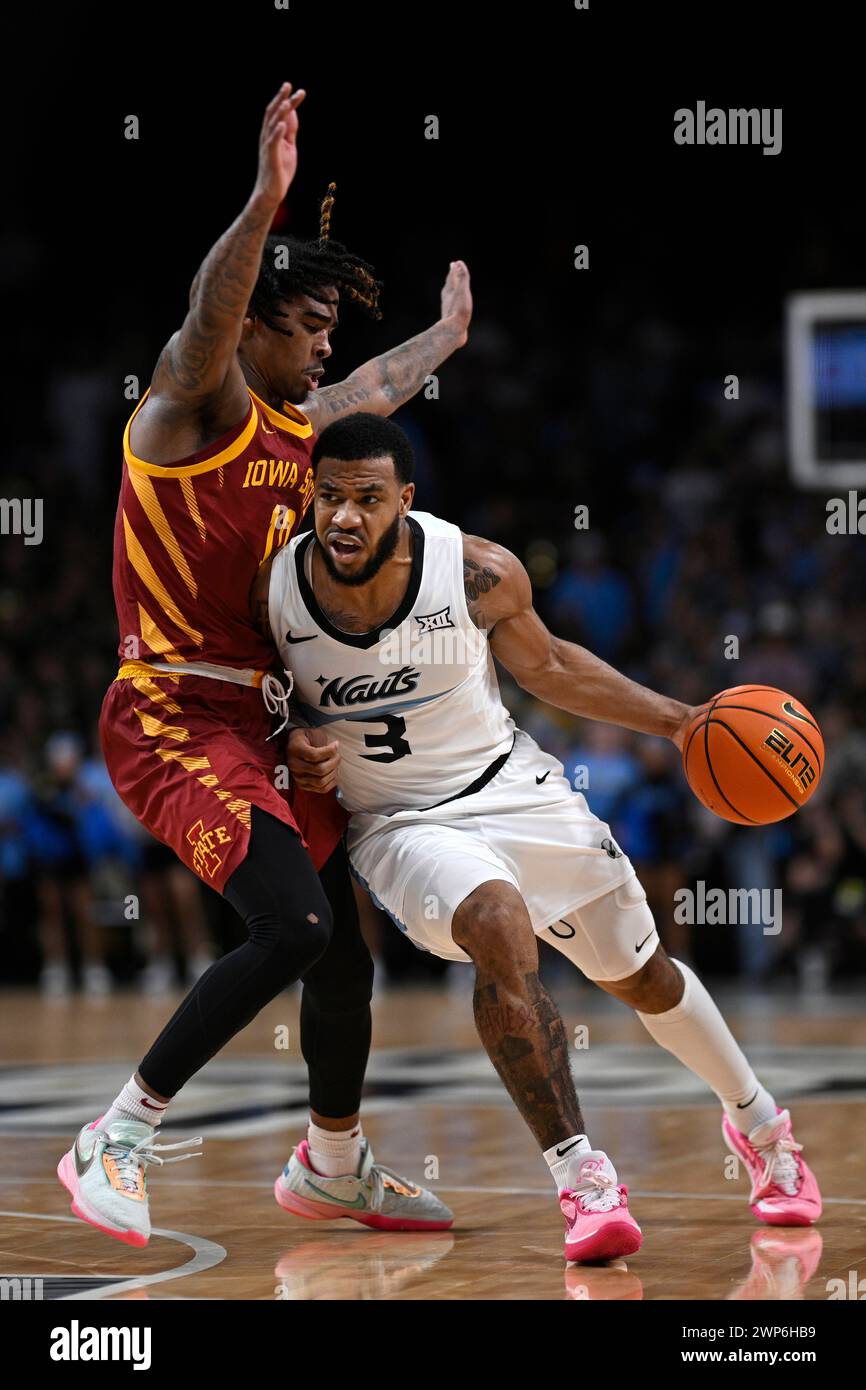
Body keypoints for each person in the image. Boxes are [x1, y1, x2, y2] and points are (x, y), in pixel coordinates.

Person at [57, 82, 471, 1246]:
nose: (328, 341)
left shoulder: (299, 433)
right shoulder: (185, 410)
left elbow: (365, 392)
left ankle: (332, 1164)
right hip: (171, 712)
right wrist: (262, 202)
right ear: (255, 323)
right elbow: (205, 314)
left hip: (267, 723)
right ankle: (116, 1136)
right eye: (310, 322)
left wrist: (444, 339)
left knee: (340, 950)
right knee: (289, 929)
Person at [257, 412, 822, 1263]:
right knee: (496, 920)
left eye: (366, 498)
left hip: (515, 790)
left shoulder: (476, 571)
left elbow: (551, 668)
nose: (342, 515)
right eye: (327, 495)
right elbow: (240, 702)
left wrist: (680, 722)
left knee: (643, 976)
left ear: (404, 502)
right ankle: (582, 1177)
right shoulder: (272, 593)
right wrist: (286, 739)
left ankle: (761, 1128)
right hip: (404, 824)